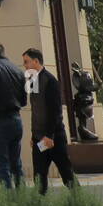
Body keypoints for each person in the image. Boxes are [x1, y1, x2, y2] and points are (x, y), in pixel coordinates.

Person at [22, 48, 76, 194]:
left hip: (54, 138)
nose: (25, 66)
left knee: (66, 172)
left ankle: (79, 201)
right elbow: (36, 111)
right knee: (39, 175)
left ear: (36, 61)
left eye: (26, 62)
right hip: (40, 139)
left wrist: (49, 135)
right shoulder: (33, 81)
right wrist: (34, 136)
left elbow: (55, 112)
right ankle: (40, 204)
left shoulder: (50, 81)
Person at [0, 42, 27, 189]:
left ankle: (8, 199)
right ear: (3, 52)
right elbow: (24, 99)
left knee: (2, 164)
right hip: (16, 119)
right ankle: (22, 194)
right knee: (16, 162)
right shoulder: (18, 70)